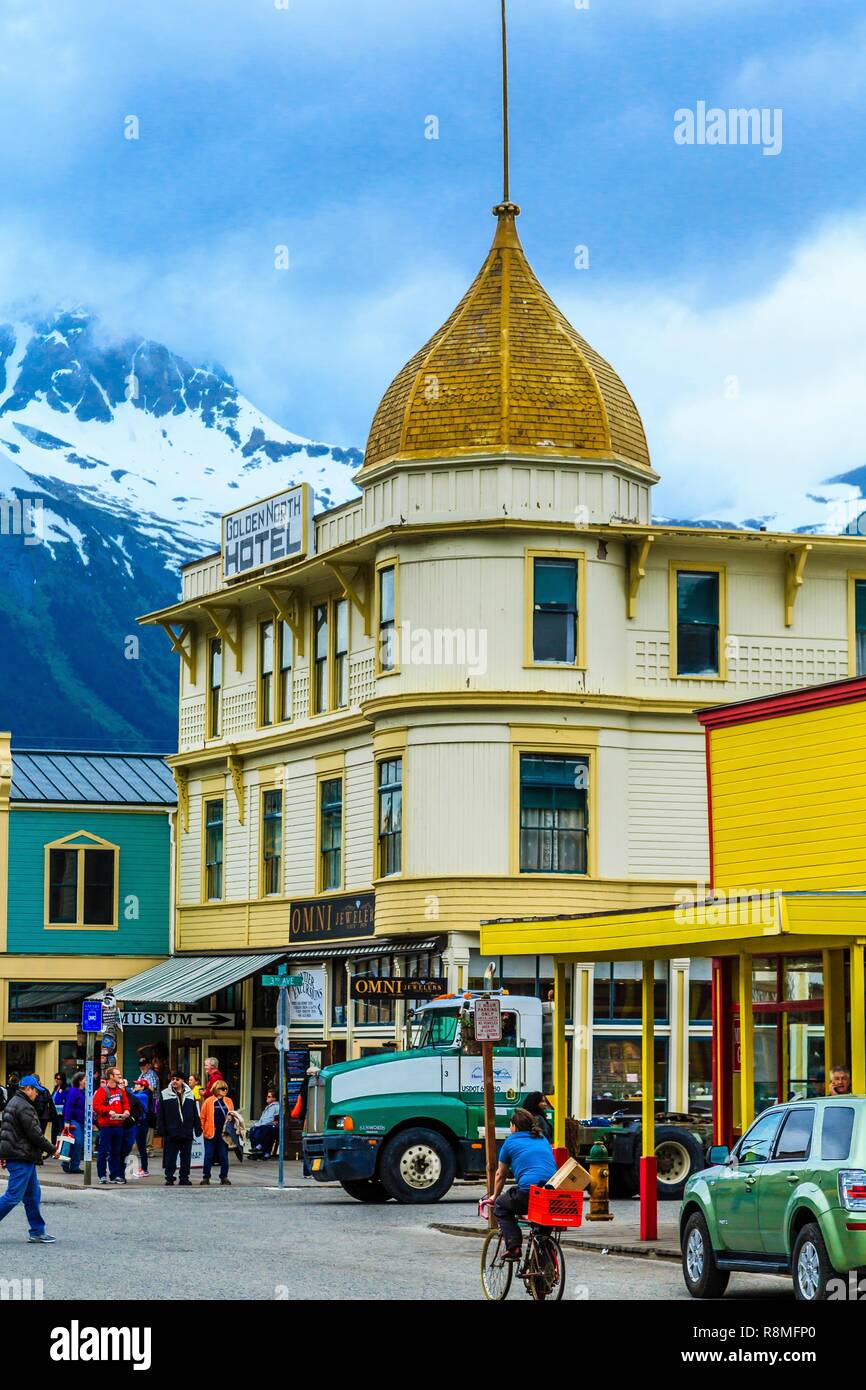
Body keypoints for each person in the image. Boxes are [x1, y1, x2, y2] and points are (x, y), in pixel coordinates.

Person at [492, 1108, 557, 1261]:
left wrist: (494, 1196)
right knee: (541, 1231)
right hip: (551, 1191)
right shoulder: (542, 1139)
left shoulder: (510, 1142)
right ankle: (544, 1266)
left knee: (501, 1205)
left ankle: (514, 1247)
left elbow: (500, 1175)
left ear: (514, 1126)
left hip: (528, 1192)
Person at [0, 1074, 57, 1243]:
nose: (37, 1094)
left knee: (32, 1195)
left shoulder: (14, 1102)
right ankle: (37, 1231)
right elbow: (35, 1135)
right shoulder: (24, 1106)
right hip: (21, 1156)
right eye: (36, 1091)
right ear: (28, 1089)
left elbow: (6, 1132)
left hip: (20, 1155)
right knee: (13, 1197)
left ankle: (37, 1231)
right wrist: (53, 1150)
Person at [156, 1073, 201, 1186]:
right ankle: (169, 1177)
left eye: (177, 1079)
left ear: (182, 1081)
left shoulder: (190, 1093)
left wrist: (197, 1127)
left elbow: (194, 1112)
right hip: (172, 1131)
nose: (174, 1081)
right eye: (173, 1079)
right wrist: (161, 1129)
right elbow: (161, 1113)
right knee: (170, 1156)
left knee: (186, 1156)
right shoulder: (165, 1093)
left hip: (186, 1130)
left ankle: (184, 1177)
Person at [93, 1066, 131, 1184]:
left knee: (116, 1151)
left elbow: (126, 1104)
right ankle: (102, 1175)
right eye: (117, 1074)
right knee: (103, 1151)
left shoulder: (121, 1091)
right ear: (111, 1076)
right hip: (106, 1126)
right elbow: (96, 1106)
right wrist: (108, 1110)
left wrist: (126, 1112)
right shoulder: (102, 1091)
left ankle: (114, 1175)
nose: (120, 1076)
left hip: (118, 1125)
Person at [200, 1081, 234, 1185]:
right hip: (210, 1132)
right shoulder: (208, 1101)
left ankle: (224, 1177)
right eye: (222, 1089)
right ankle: (206, 1177)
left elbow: (233, 1114)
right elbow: (202, 1117)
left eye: (226, 1089)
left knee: (223, 1156)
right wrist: (203, 1129)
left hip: (223, 1133)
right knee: (208, 1156)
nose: (225, 1091)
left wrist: (231, 1117)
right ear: (216, 1089)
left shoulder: (229, 1101)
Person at [61, 1072, 86, 1174]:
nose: (87, 1081)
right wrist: (67, 1121)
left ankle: (72, 1165)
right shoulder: (73, 1091)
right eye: (85, 1079)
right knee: (77, 1142)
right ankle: (68, 1164)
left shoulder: (83, 1092)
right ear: (80, 1080)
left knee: (76, 1144)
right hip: (73, 1120)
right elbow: (68, 1106)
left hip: (81, 1121)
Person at [129, 1079, 153, 1176]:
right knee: (140, 1146)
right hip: (139, 1123)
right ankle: (144, 1168)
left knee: (142, 1147)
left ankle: (144, 1169)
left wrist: (129, 1090)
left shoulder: (143, 1095)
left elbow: (131, 1097)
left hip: (142, 1123)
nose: (135, 1086)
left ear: (142, 1087)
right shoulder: (142, 1094)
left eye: (137, 1084)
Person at [249, 1089, 280, 1158]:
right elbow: (262, 1119)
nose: (267, 1097)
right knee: (252, 1130)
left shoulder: (277, 1106)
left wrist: (276, 1120)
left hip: (271, 1126)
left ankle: (261, 1148)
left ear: (274, 1098)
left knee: (263, 1131)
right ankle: (256, 1151)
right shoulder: (268, 1107)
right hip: (264, 1125)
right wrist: (256, 1125)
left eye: (269, 1096)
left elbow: (276, 1117)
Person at [50, 1073, 68, 1145]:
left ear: (62, 1080)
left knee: (60, 1131)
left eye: (59, 1079)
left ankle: (59, 1148)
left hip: (61, 1114)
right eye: (56, 1078)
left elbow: (65, 1100)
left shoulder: (66, 1089)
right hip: (55, 1113)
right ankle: (53, 1147)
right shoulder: (55, 1088)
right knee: (54, 1131)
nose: (57, 1080)